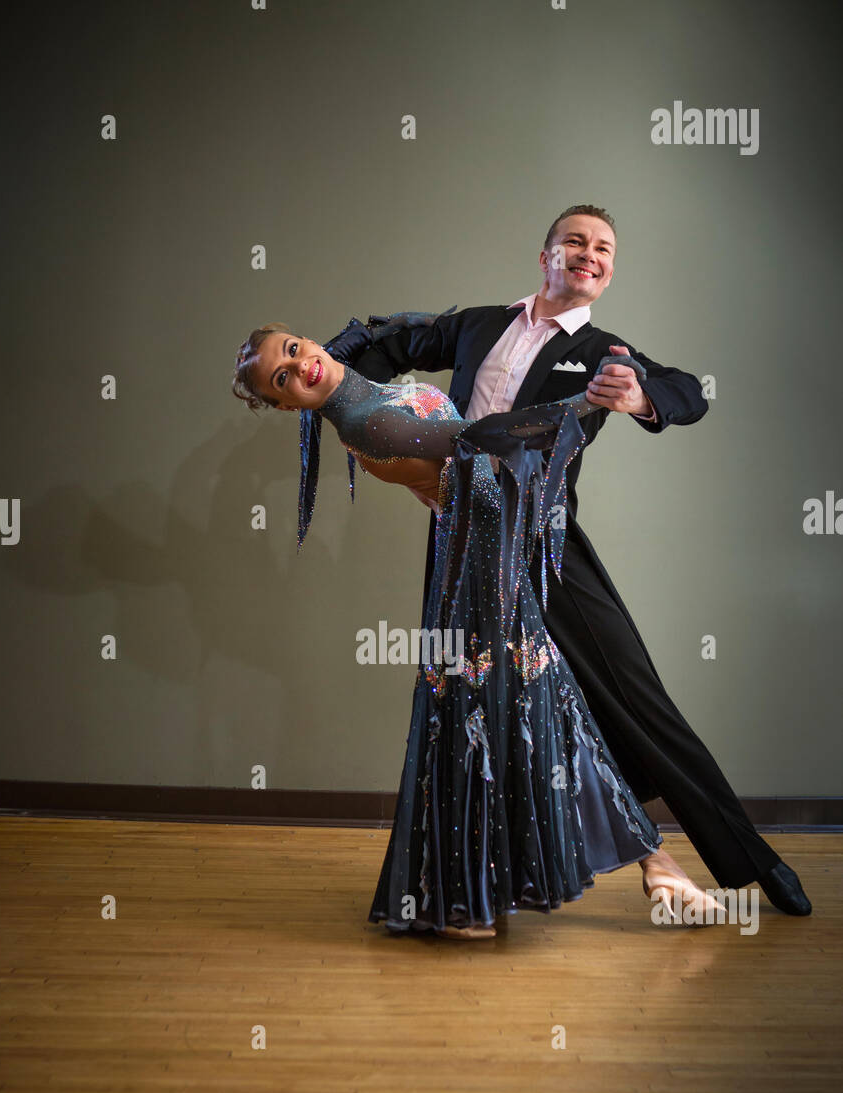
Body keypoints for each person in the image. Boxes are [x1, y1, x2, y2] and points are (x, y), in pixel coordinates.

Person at [347, 205, 812, 918]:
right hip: (462, 543)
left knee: (633, 699)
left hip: (543, 545)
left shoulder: (604, 350)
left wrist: (642, 396)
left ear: (609, 271)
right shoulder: (477, 324)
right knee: (480, 707)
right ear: (546, 254)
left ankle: (753, 859)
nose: (589, 255)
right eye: (575, 241)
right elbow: (386, 343)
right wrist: (338, 396)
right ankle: (478, 883)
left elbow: (687, 391)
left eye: (603, 249)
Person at [231, 320, 717, 938]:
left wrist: (372, 330)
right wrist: (587, 399)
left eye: (296, 349)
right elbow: (483, 437)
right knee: (516, 717)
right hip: (482, 583)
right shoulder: (368, 422)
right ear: (283, 406)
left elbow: (369, 340)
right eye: (283, 379)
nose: (302, 369)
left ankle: (557, 882)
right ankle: (564, 881)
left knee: (540, 713)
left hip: (493, 566)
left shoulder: (357, 386)